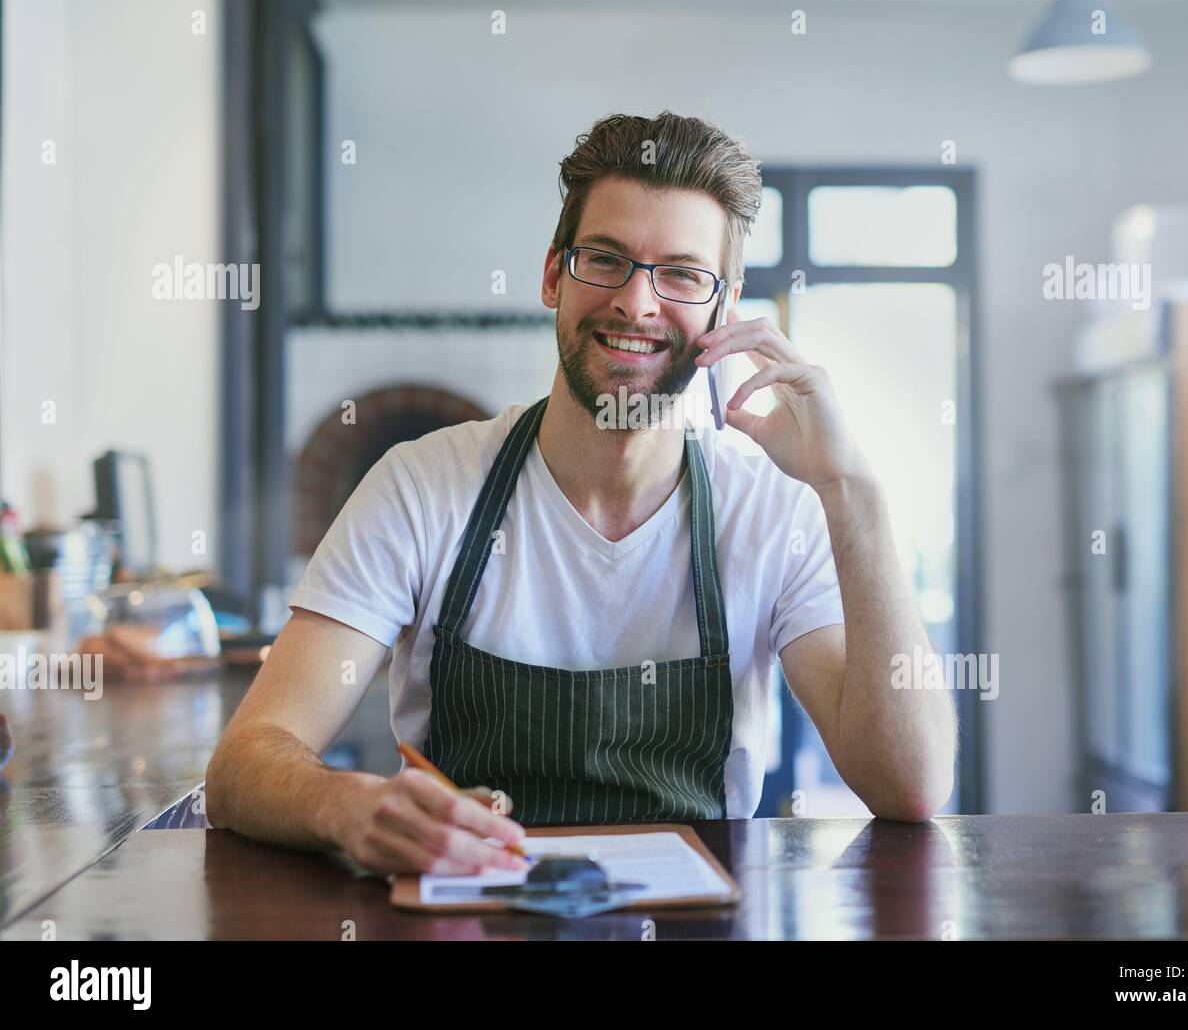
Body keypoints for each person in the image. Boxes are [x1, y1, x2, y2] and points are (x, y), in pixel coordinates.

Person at [205, 110, 955, 876]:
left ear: (721, 311)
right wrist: (348, 805)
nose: (637, 303)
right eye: (607, 259)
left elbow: (910, 786)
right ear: (552, 275)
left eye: (682, 274)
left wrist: (851, 491)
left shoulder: (771, 509)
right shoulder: (420, 487)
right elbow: (241, 764)